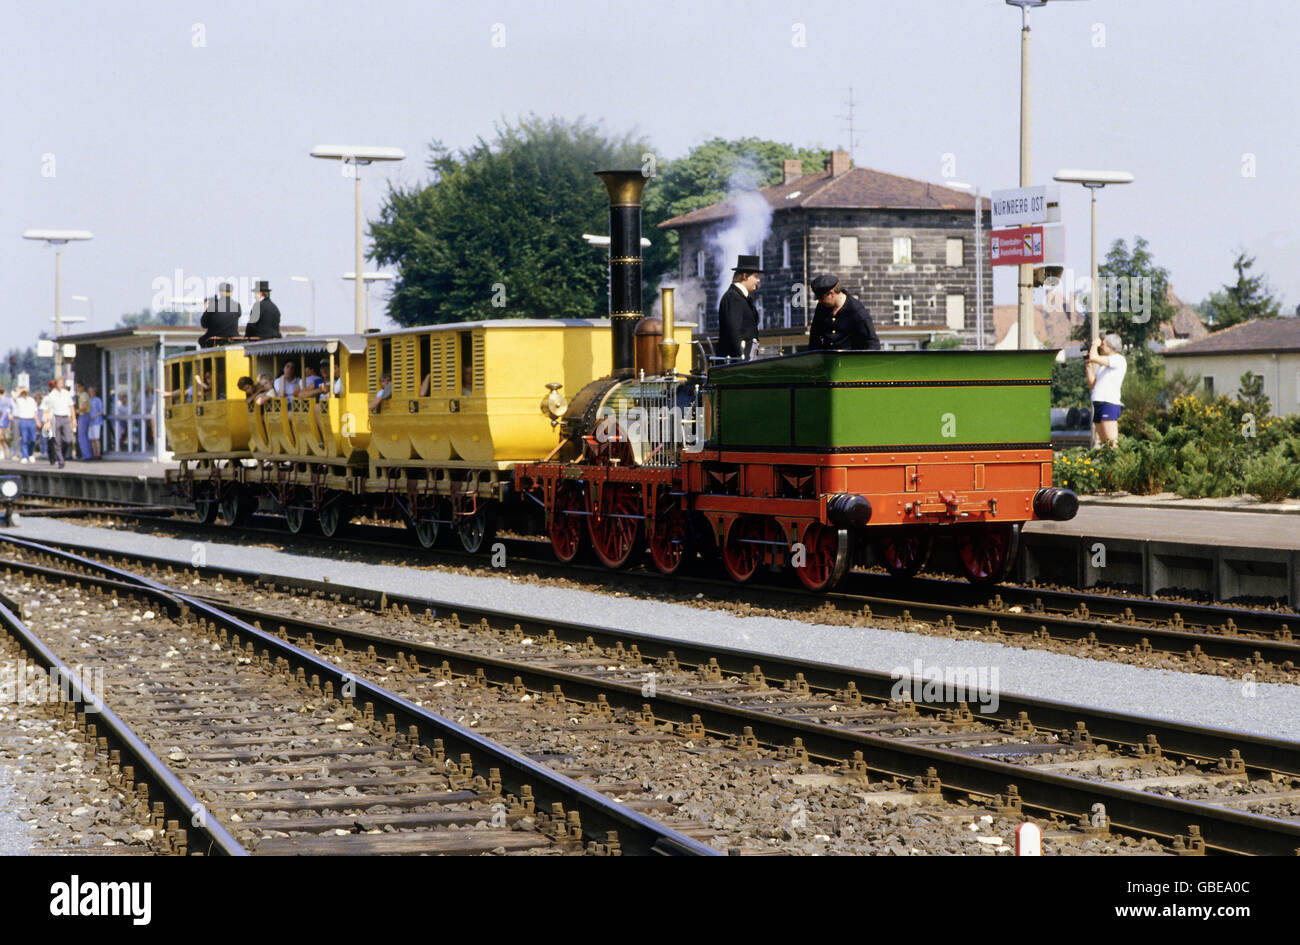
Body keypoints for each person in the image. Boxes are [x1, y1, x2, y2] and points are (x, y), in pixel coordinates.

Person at [807, 275, 881, 351]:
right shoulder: (822, 308)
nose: (820, 301)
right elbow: (814, 339)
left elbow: (872, 343)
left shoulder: (856, 310)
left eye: (821, 298)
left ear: (831, 293)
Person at [716, 254, 762, 360]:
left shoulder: (742, 298)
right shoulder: (733, 297)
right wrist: (741, 358)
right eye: (755, 276)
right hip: (736, 360)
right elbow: (734, 331)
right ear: (745, 276)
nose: (758, 280)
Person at [1087, 332, 1127, 448]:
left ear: (1111, 347)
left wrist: (1094, 344)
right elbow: (1092, 384)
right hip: (1099, 404)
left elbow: (1093, 357)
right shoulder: (1104, 365)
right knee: (1105, 445)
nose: (1100, 346)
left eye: (1103, 344)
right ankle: (1108, 465)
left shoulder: (1118, 359)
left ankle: (1119, 465)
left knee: (1112, 444)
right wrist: (1088, 366)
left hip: (1109, 404)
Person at [44, 378, 76, 468]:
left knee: (68, 440)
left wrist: (73, 419)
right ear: (56, 384)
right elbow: (48, 409)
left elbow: (71, 406)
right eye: (59, 383)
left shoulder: (66, 394)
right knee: (56, 440)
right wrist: (48, 422)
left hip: (65, 417)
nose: (61, 385)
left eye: (62, 383)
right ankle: (61, 460)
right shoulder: (52, 395)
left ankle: (63, 454)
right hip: (56, 417)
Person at [199, 282, 242, 348]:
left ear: (221, 292)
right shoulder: (237, 306)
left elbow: (204, 324)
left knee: (201, 340)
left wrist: (207, 308)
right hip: (233, 339)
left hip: (215, 340)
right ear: (231, 292)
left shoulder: (213, 305)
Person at [12, 388, 37, 463]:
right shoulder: (19, 400)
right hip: (23, 420)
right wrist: (20, 390)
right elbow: (14, 397)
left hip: (31, 420)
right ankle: (25, 456)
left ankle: (30, 453)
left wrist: (37, 421)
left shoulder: (31, 400)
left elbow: (35, 411)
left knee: (33, 439)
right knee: (24, 439)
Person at [75, 382, 92, 458]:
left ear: (82, 387)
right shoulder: (81, 395)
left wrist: (77, 411)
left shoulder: (84, 395)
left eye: (78, 387)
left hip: (84, 415)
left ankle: (86, 455)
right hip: (84, 416)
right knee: (83, 436)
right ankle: (86, 454)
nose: (77, 389)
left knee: (82, 436)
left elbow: (84, 407)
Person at [87, 387, 104, 459]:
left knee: (97, 438)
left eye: (91, 392)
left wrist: (94, 416)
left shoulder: (98, 400)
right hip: (90, 422)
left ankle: (98, 453)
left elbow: (101, 411)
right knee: (92, 439)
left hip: (96, 421)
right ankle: (94, 453)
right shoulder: (89, 400)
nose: (90, 393)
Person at [0, 387, 11, 460]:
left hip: (5, 420)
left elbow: (10, 410)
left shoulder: (8, 400)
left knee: (4, 437)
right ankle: (1, 452)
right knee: (0, 436)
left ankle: (8, 447)